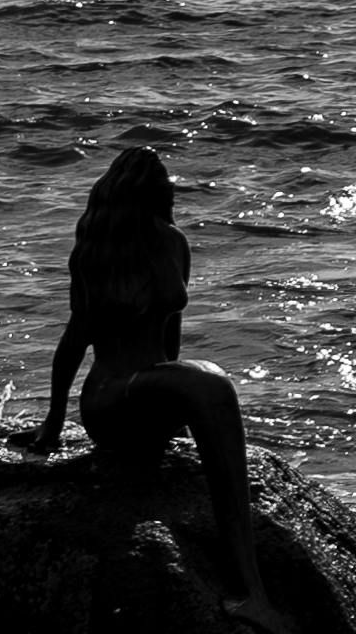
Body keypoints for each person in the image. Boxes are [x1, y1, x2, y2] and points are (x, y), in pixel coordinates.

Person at [17, 148, 263, 587]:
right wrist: (52, 424)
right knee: (212, 383)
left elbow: (172, 337)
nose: (168, 191)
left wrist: (182, 421)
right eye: (159, 185)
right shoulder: (102, 252)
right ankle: (247, 589)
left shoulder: (173, 241)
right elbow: (74, 342)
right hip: (111, 400)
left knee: (203, 387)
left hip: (154, 396)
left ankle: (242, 549)